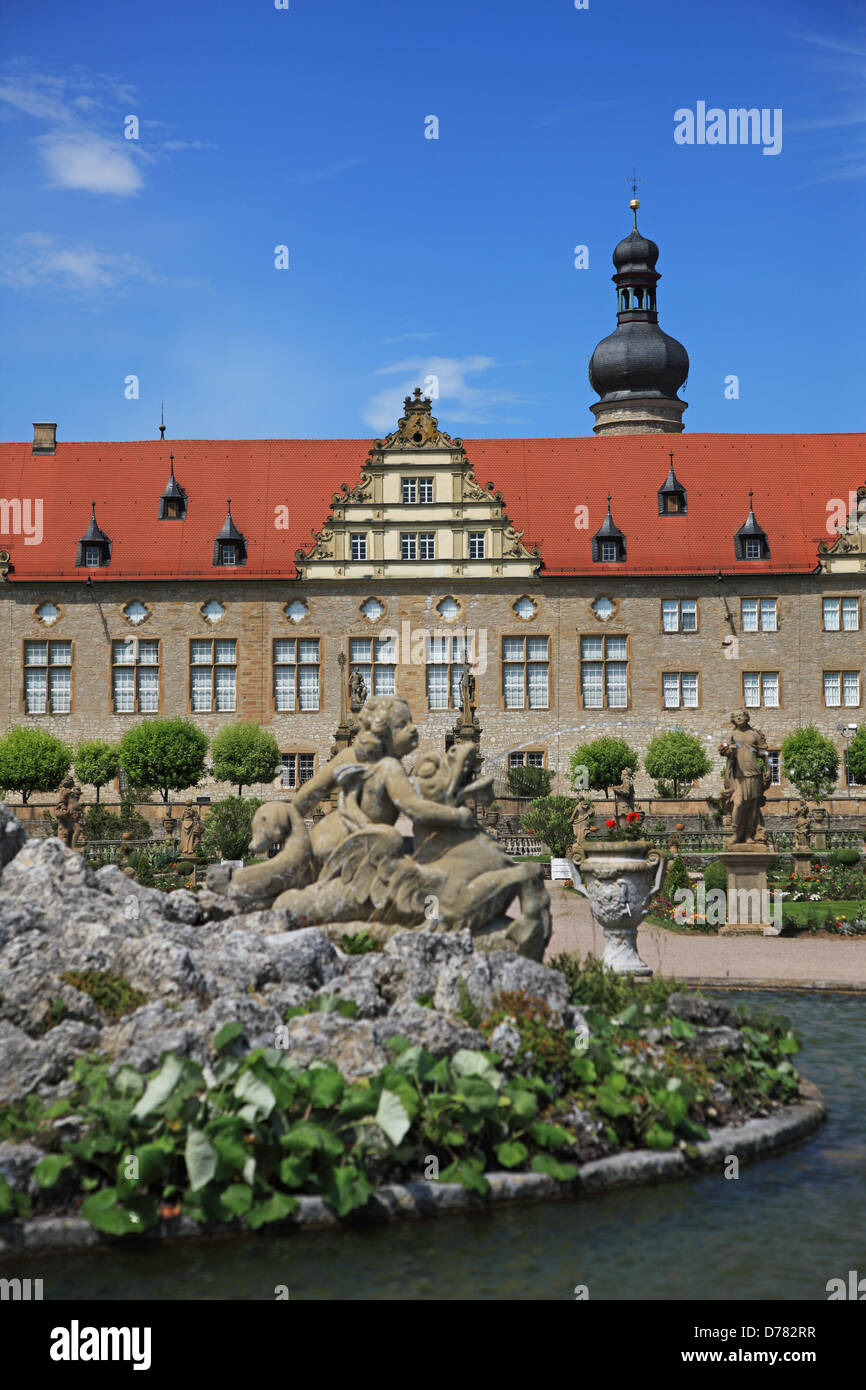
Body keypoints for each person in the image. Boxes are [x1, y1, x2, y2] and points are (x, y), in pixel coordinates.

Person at [719, 710, 770, 845]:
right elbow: (724, 749)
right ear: (733, 720)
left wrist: (769, 769)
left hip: (754, 774)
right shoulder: (731, 735)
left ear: (747, 717)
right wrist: (726, 750)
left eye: (741, 715)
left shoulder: (754, 734)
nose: (739, 717)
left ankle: (748, 835)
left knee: (752, 806)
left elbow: (764, 753)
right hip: (738, 776)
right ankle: (736, 833)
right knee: (739, 803)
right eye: (736, 716)